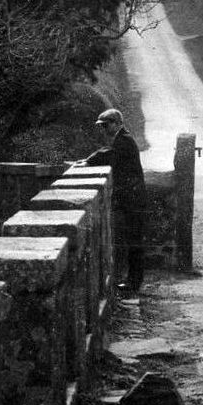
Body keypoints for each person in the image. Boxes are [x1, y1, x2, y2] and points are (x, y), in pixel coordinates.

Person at [80, 108, 148, 294]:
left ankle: (133, 283)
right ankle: (133, 281)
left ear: (117, 123)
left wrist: (88, 161)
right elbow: (109, 152)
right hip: (133, 198)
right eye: (102, 126)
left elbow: (109, 154)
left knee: (134, 242)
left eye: (106, 125)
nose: (104, 129)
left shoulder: (123, 140)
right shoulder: (122, 139)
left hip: (133, 200)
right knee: (133, 241)